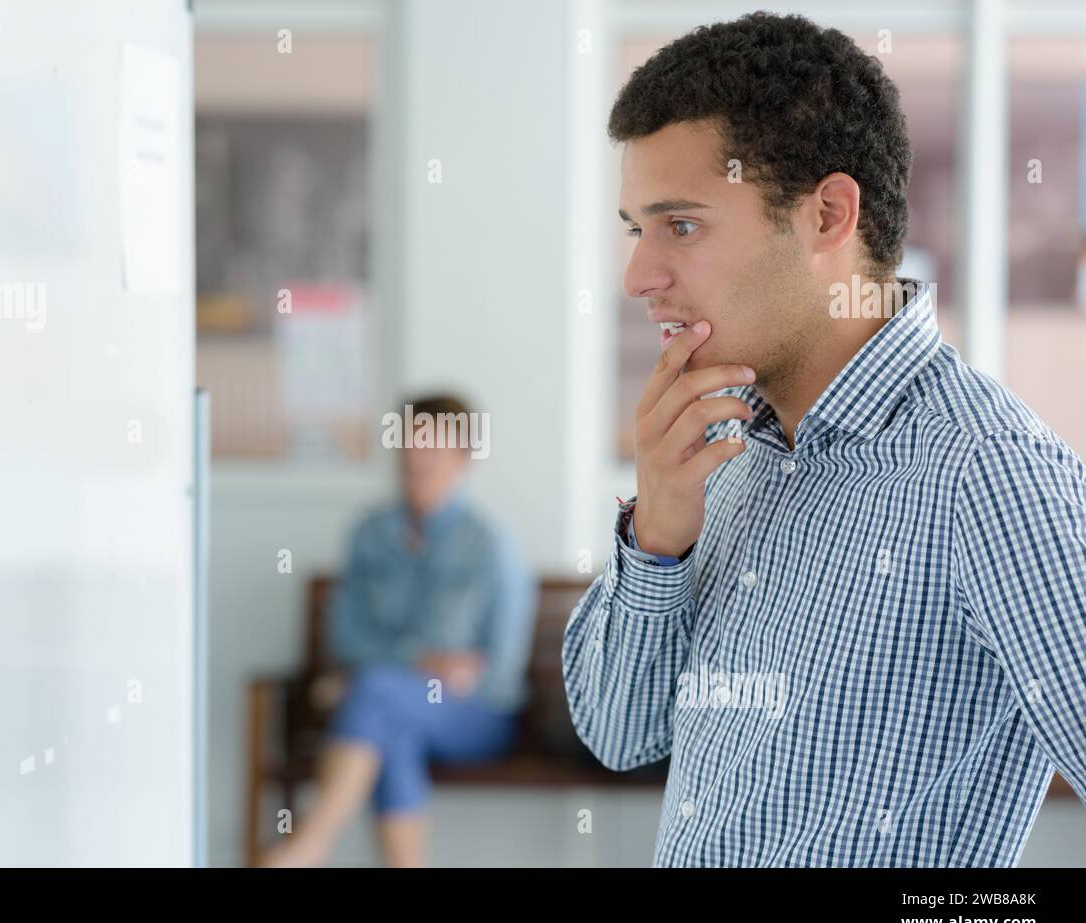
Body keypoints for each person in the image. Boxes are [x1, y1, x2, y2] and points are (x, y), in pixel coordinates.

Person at [564, 11, 1086, 867]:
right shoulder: (726, 453)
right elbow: (620, 734)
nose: (637, 276)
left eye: (681, 225)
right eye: (636, 228)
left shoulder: (984, 474)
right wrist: (657, 537)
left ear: (828, 216)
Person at [262, 394, 535, 867]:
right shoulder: (370, 534)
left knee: (376, 693)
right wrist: (418, 662)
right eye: (411, 443)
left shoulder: (490, 542)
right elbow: (346, 639)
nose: (419, 456)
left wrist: (448, 675)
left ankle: (307, 848)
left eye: (433, 445)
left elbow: (502, 673)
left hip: (475, 717)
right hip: (388, 706)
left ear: (463, 455)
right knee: (391, 729)